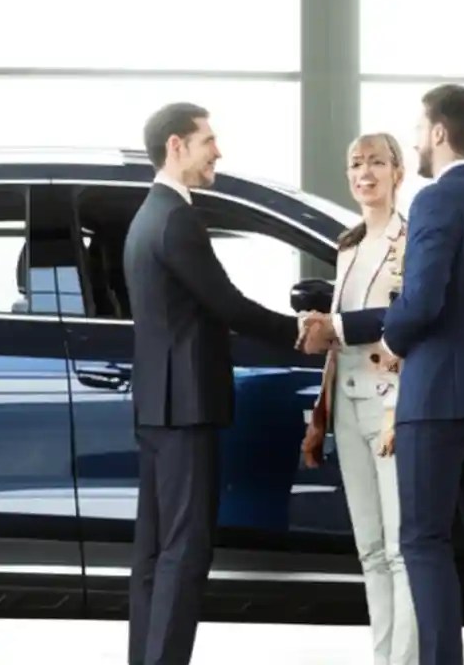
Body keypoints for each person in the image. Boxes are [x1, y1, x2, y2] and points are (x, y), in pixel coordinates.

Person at [299, 84, 464, 665]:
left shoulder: (435, 202)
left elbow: (423, 303)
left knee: (423, 544)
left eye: (415, 131)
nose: (412, 140)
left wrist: (388, 336)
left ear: (436, 133)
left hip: (435, 400)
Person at [123, 102, 302, 665]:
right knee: (184, 551)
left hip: (157, 406)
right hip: (187, 408)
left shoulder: (146, 216)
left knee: (153, 554)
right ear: (177, 146)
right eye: (208, 140)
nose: (217, 151)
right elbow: (227, 305)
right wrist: (302, 335)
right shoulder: (176, 218)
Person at [301, 132, 418, 665]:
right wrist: (320, 418)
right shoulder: (347, 246)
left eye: (376, 162)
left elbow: (413, 328)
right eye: (355, 163)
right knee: (370, 550)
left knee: (400, 552)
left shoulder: (412, 242)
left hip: (390, 403)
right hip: (347, 407)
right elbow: (335, 346)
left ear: (398, 172)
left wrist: (401, 411)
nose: (364, 172)